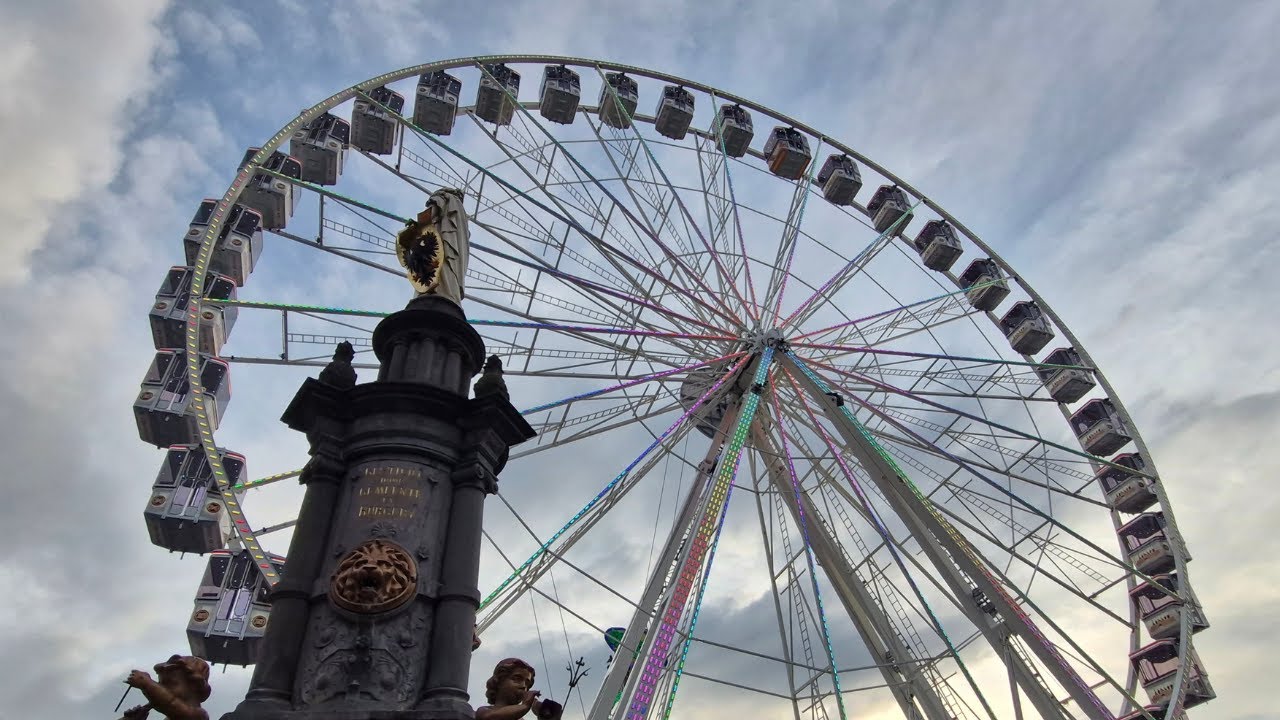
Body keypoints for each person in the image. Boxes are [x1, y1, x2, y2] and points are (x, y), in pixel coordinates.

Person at [119, 655, 211, 720]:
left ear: (194, 685)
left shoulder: (198, 715)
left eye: (170, 683)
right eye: (160, 684)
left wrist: (147, 684)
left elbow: (171, 703)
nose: (161, 688)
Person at [475, 658, 562, 720]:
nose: (524, 686)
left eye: (527, 683)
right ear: (499, 681)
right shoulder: (486, 711)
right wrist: (525, 705)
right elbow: (488, 717)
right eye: (517, 678)